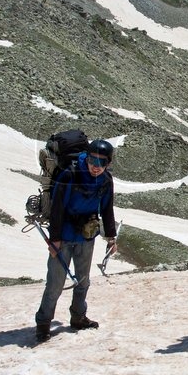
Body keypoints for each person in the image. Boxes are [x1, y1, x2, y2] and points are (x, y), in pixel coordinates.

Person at [34, 139, 118, 342]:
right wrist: (54, 240)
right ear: (86, 158)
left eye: (101, 163)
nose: (95, 167)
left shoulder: (106, 180)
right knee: (55, 283)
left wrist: (111, 238)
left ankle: (78, 317)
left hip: (86, 237)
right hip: (63, 237)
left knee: (83, 281)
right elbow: (57, 209)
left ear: (108, 164)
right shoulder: (69, 175)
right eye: (92, 160)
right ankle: (43, 324)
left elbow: (107, 209)